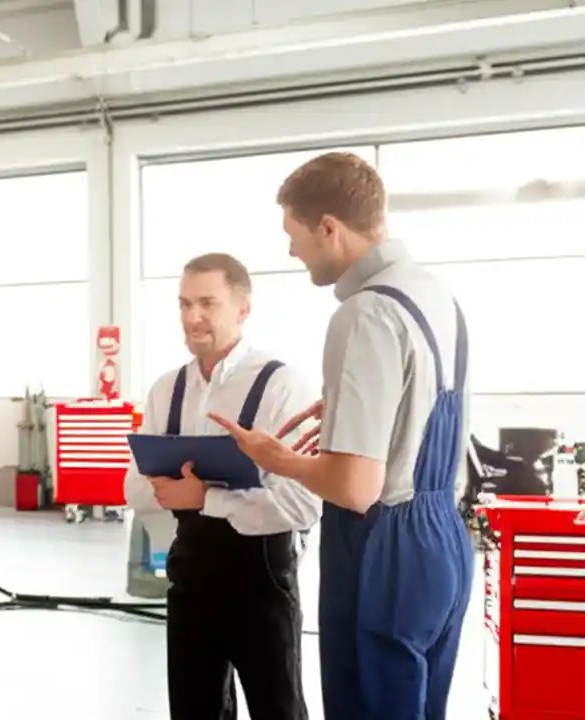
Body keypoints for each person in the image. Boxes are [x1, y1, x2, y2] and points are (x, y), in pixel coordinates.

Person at [210, 152, 472, 720]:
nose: (290, 250)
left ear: (329, 228)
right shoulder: (436, 295)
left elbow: (355, 488)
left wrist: (273, 457)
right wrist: (360, 409)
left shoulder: (364, 313)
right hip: (444, 541)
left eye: (294, 234)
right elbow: (425, 406)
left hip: (386, 548)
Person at [124, 252, 320, 720]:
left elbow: (303, 505)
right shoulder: (165, 389)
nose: (193, 317)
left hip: (262, 579)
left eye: (207, 303)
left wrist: (205, 497)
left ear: (243, 309)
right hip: (190, 573)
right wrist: (166, 491)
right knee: (194, 710)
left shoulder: (281, 386)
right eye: (184, 304)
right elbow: (132, 488)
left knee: (279, 709)